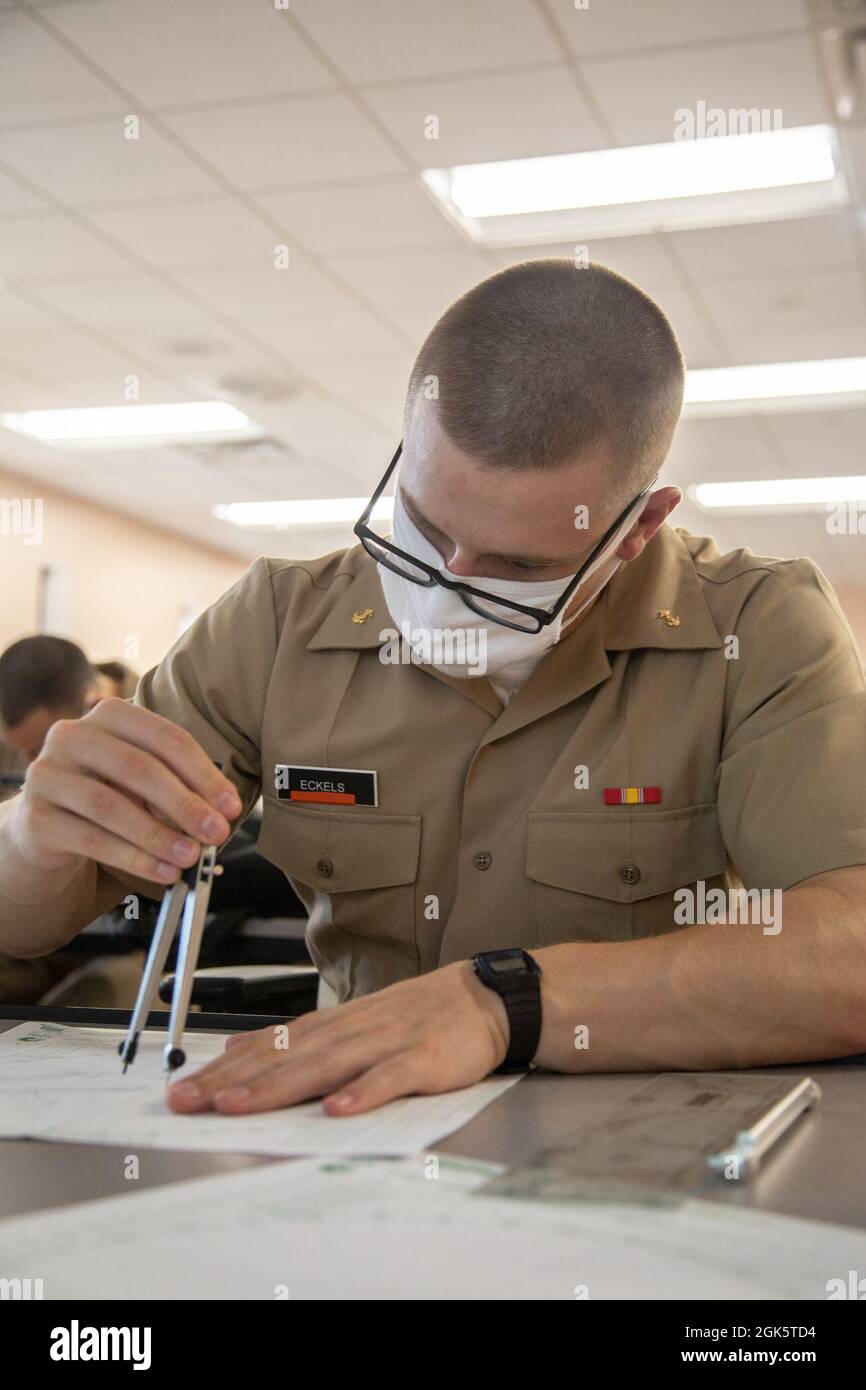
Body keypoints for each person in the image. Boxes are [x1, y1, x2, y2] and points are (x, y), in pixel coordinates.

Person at [0, 260, 864, 1119]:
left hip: (628, 1132)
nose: (449, 585)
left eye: (520, 567)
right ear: (404, 452)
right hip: (341, 1123)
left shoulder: (760, 627)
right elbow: (27, 924)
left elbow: (850, 953)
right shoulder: (276, 621)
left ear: (638, 527)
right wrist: (34, 835)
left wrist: (506, 1003)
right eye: (423, 527)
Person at [0, 636, 100, 764]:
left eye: (41, 749)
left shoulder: (133, 725)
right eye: (15, 750)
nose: (32, 768)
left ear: (94, 706)